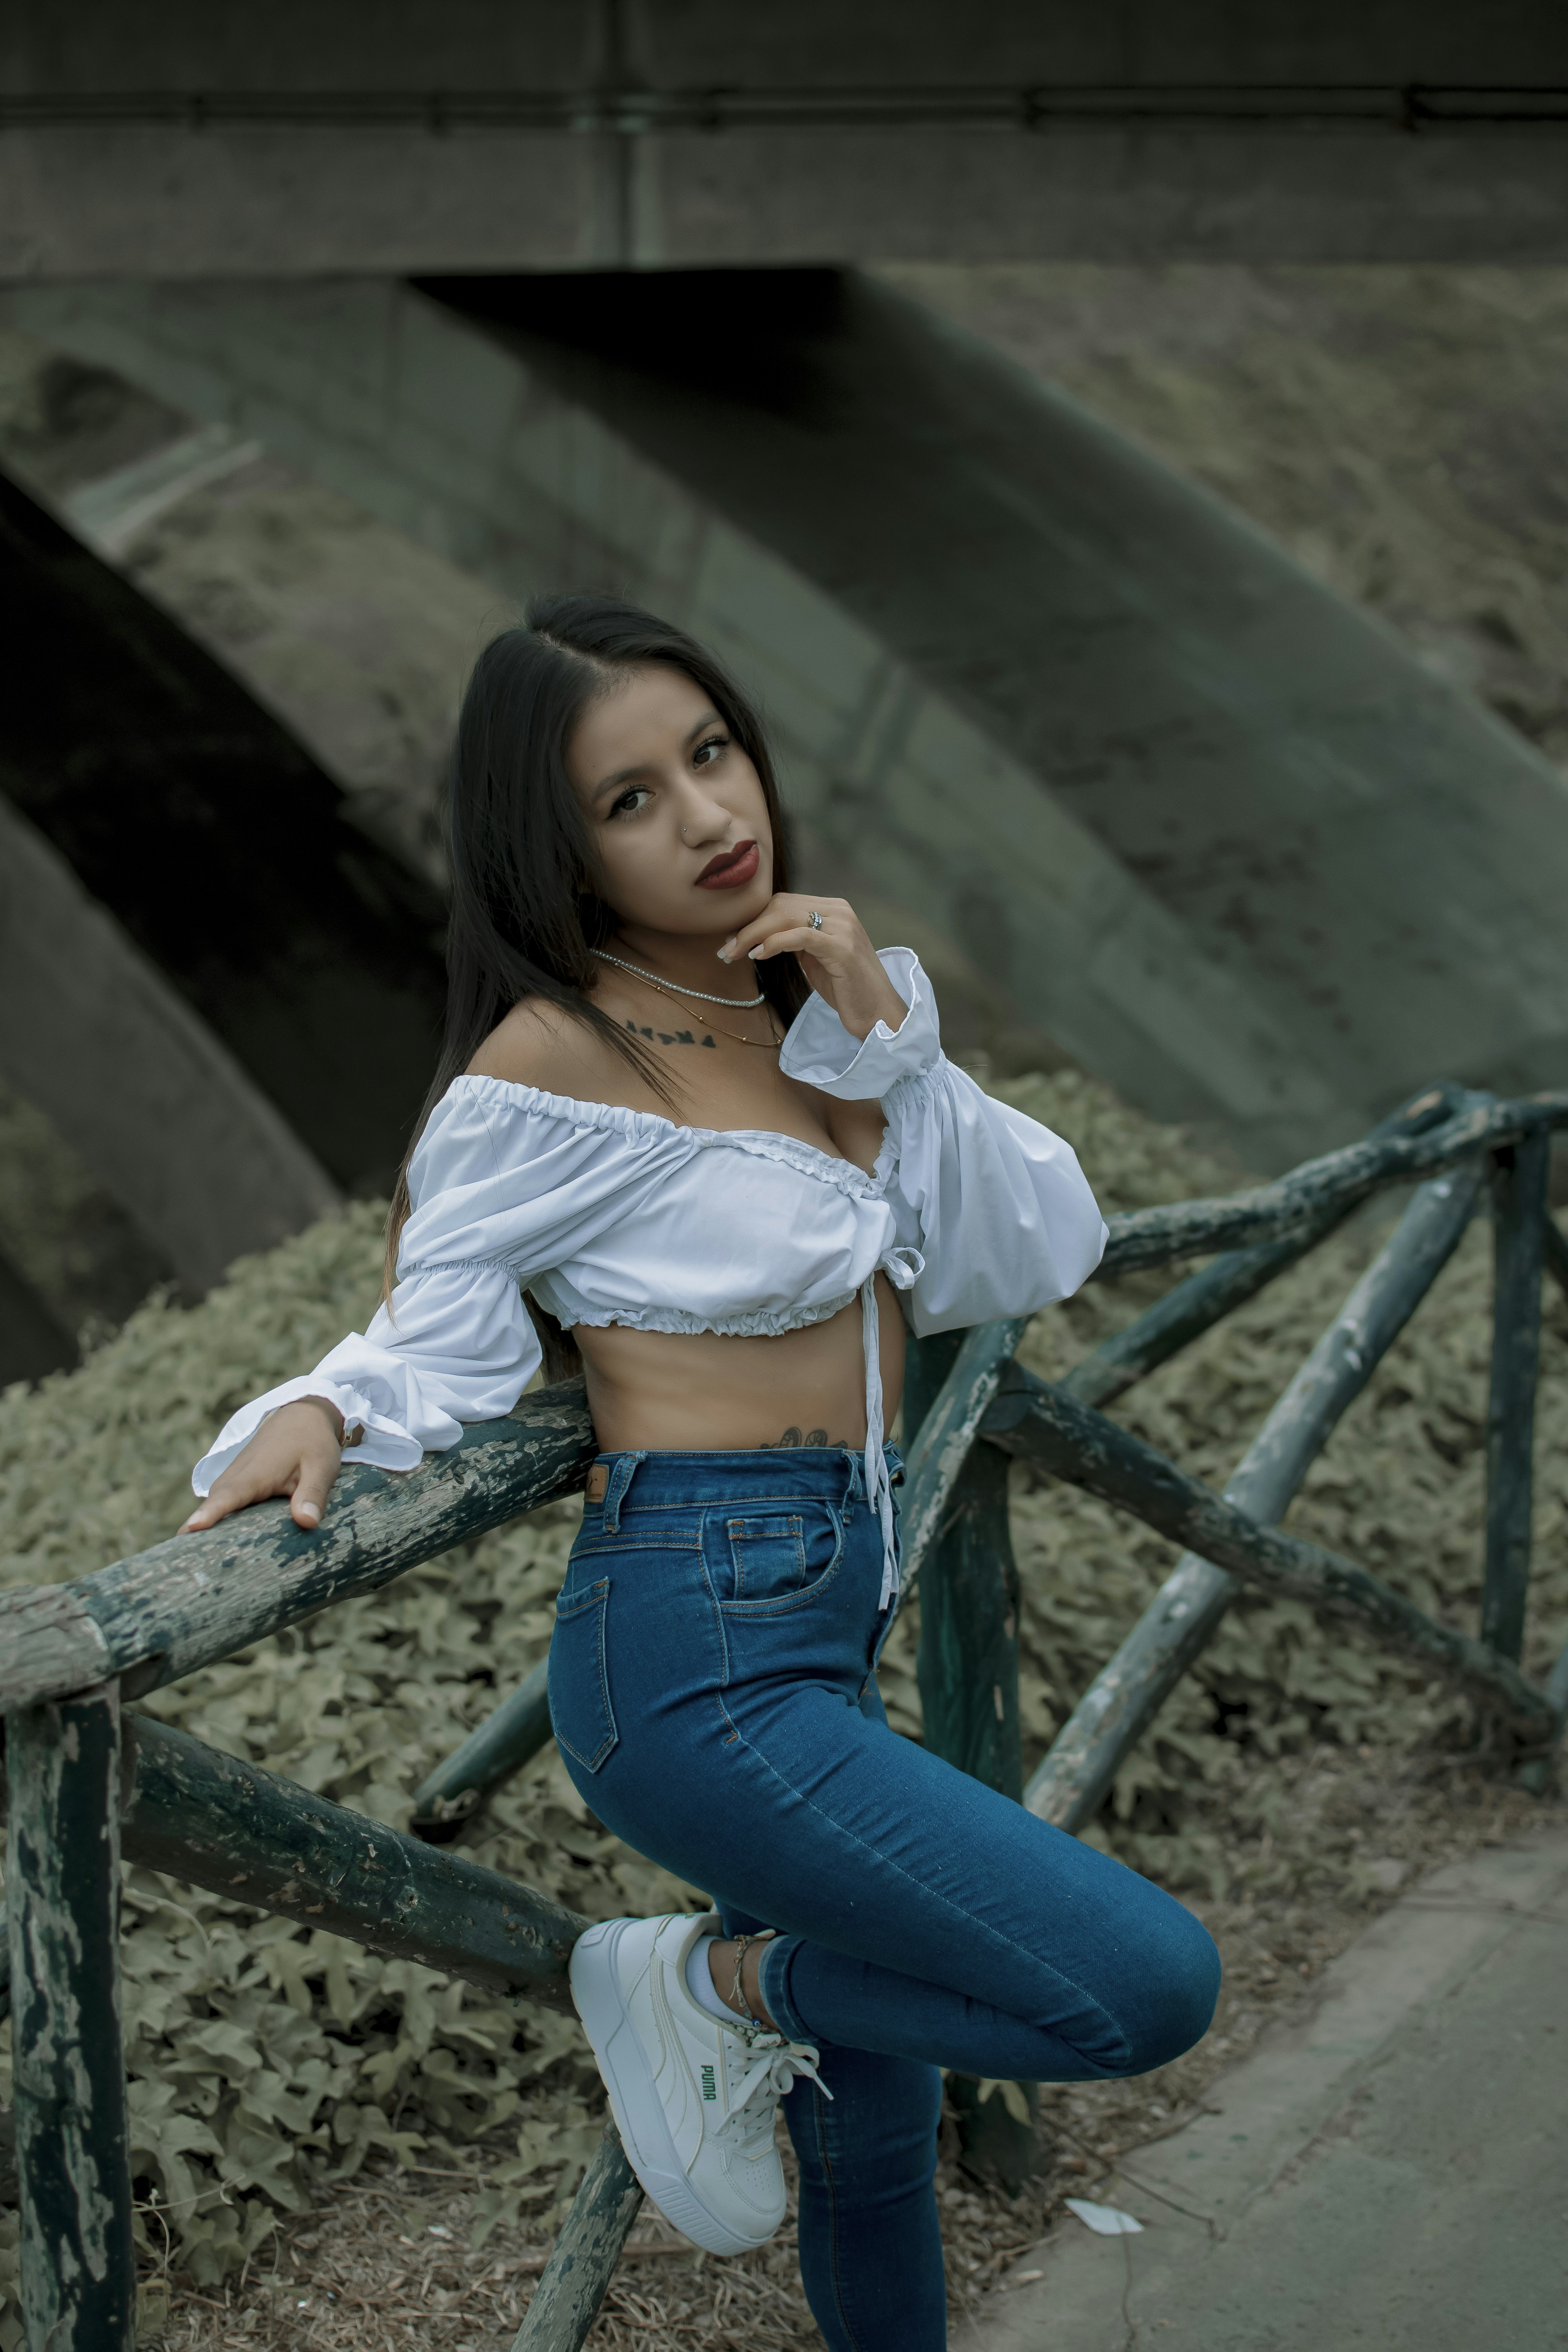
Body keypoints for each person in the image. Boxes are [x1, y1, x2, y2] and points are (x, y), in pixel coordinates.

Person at [185, 594, 1220, 2351]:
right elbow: (431, 1328)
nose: (707, 816)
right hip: (693, 1653)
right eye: (631, 801)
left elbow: (1014, 1250)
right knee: (1138, 1988)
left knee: (875, 2134)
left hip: (827, 1606)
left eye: (711, 755)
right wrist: (320, 1411)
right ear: (558, 849)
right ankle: (701, 1981)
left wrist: (889, 1047)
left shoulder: (817, 1005)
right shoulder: (552, 1068)